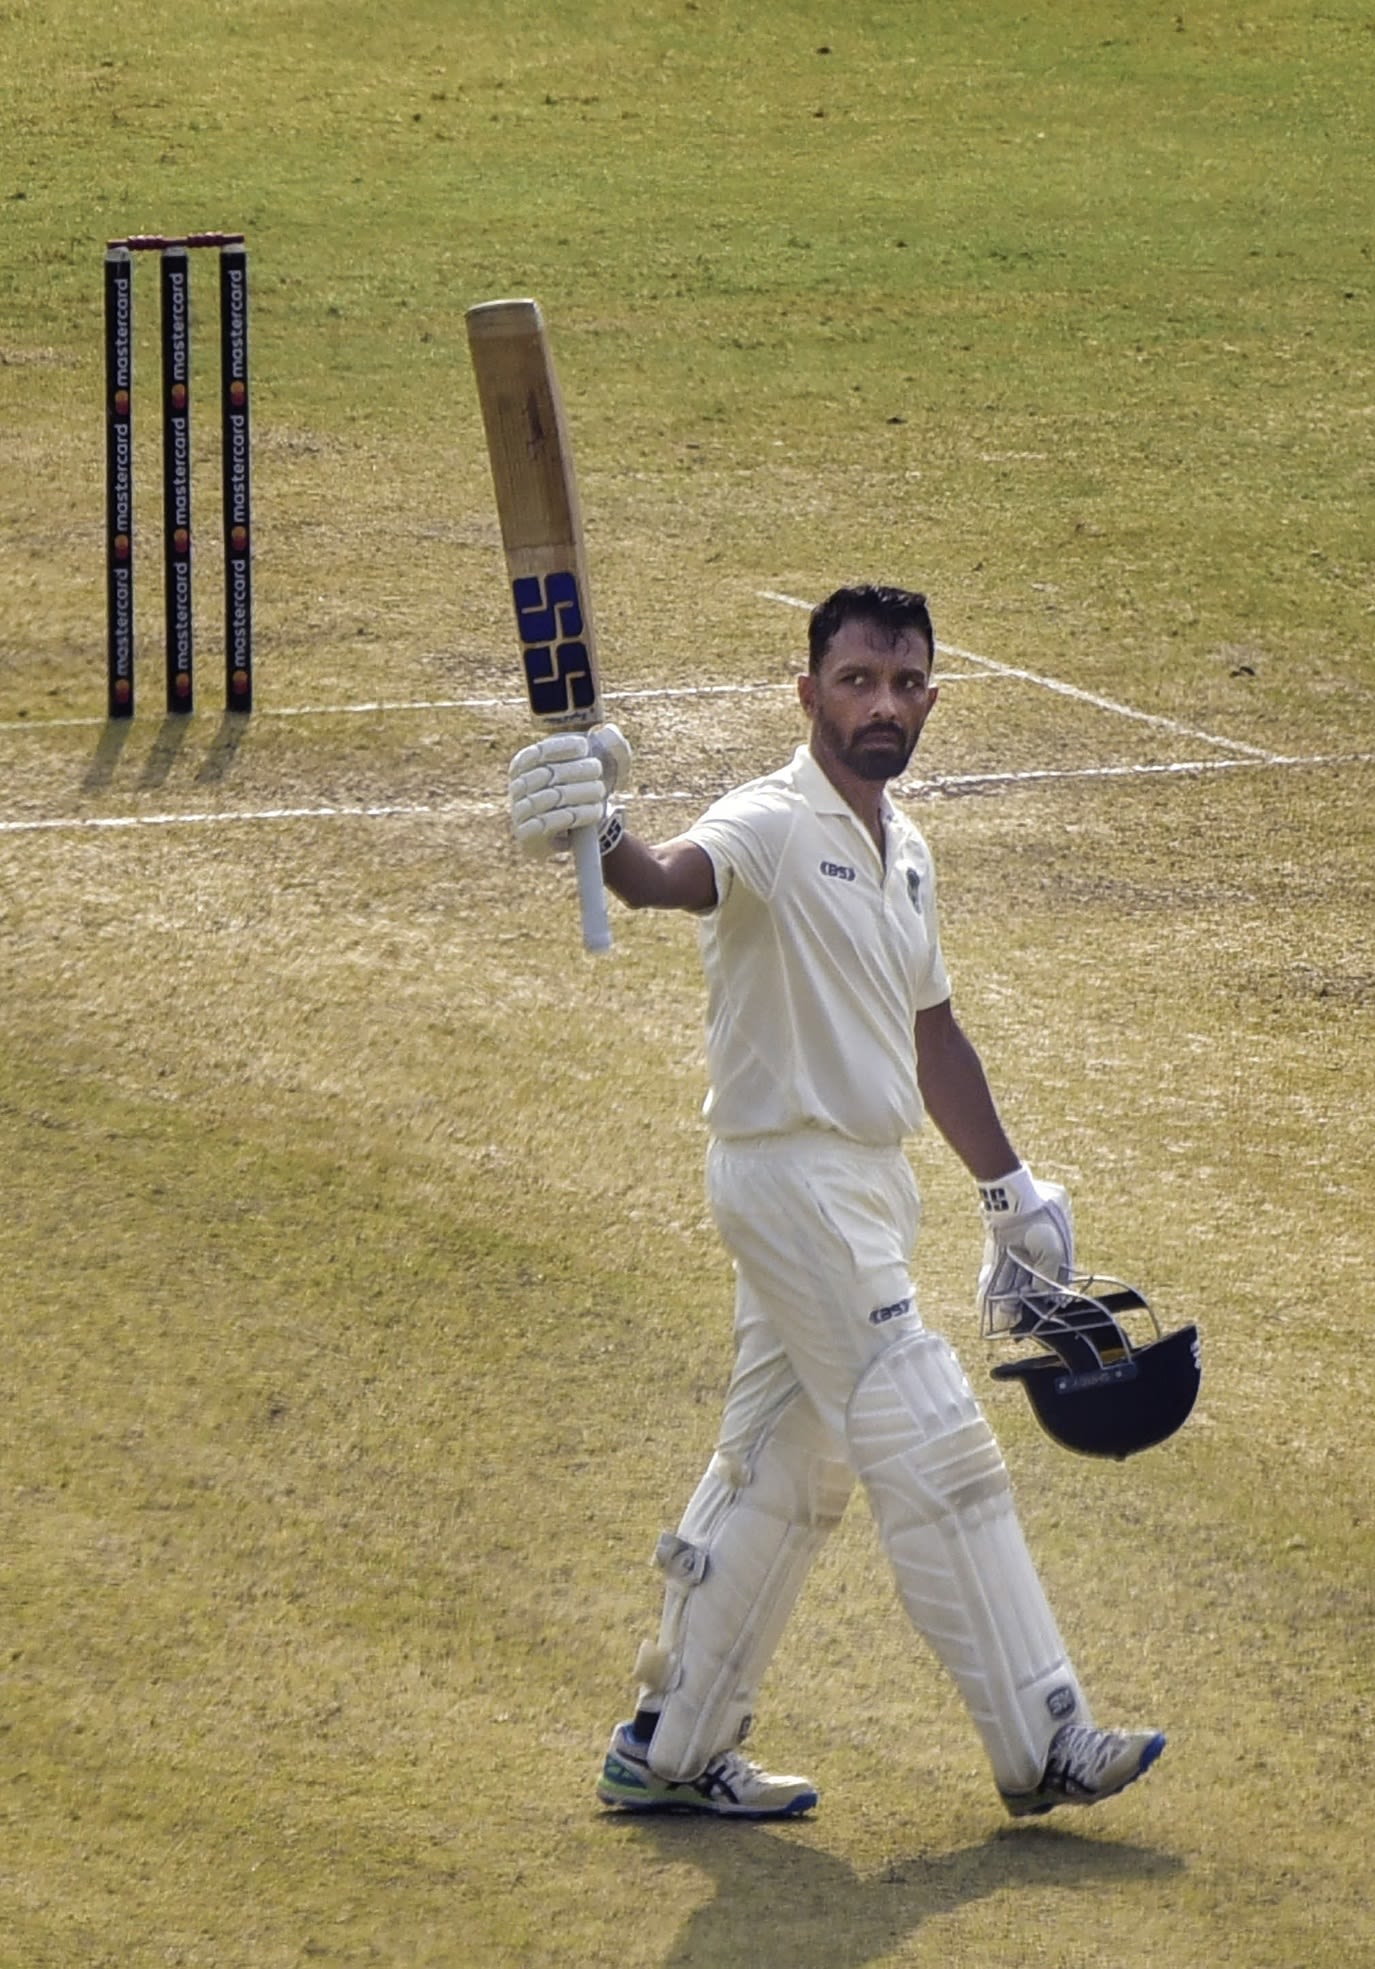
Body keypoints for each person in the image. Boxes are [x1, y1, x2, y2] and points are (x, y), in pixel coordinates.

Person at [506, 583, 1165, 1821]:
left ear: (929, 698)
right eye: (857, 680)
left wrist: (1006, 1190)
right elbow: (665, 878)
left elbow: (930, 1034)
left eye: (906, 683)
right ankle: (1048, 1739)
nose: (883, 704)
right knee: (934, 1439)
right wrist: (597, 835)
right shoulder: (763, 819)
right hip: (785, 1173)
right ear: (806, 693)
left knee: (782, 1467)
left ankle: (666, 1744)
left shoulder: (903, 849)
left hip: (863, 1188)